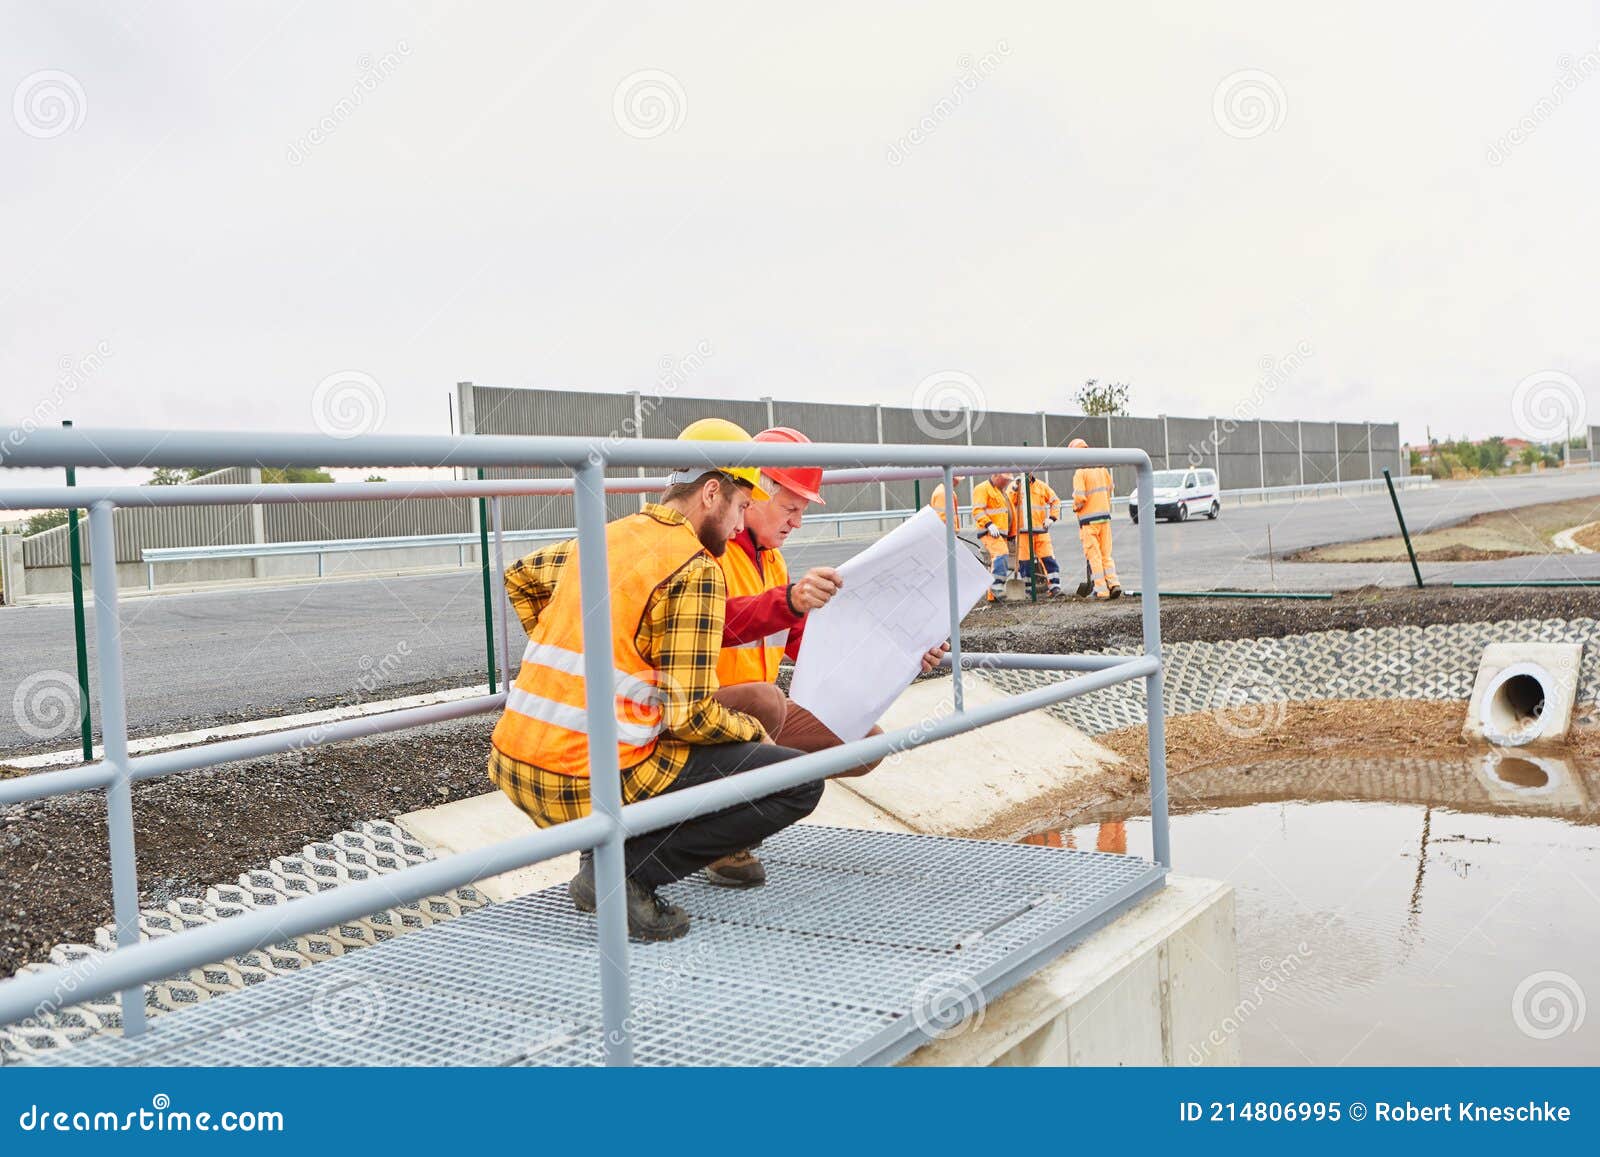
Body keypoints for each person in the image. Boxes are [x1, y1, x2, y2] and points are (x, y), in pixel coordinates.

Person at [485, 417, 820, 942]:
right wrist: (757, 735)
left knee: (706, 743)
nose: (739, 524)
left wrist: (596, 660)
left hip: (515, 763)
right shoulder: (696, 567)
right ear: (712, 492)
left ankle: (611, 855)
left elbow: (521, 576)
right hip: (585, 778)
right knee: (797, 782)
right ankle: (624, 875)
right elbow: (690, 717)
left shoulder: (606, 536)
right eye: (739, 507)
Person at [708, 426, 949, 886]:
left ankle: (737, 812)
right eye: (791, 507)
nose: (797, 521)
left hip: (755, 720)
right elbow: (716, 625)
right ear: (752, 494)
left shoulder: (772, 562)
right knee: (766, 700)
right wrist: (790, 601)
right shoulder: (711, 553)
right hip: (708, 714)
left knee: (865, 742)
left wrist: (907, 653)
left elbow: (810, 642)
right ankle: (720, 830)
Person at [1069, 438, 1121, 599]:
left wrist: (1074, 507)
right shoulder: (1101, 468)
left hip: (1088, 521)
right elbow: (1111, 488)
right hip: (1104, 517)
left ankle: (1102, 590)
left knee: (1094, 556)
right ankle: (1114, 583)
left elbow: (1080, 498)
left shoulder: (1080, 472)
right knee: (1106, 554)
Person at [1007, 471, 1065, 596]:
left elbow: (1055, 501)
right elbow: (1008, 504)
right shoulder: (1014, 487)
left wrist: (1052, 518)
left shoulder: (1041, 486)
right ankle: (1029, 590)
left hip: (1040, 530)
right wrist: (1014, 489)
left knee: (1048, 557)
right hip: (1022, 532)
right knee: (1025, 562)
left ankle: (1055, 587)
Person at [969, 471, 1015, 601]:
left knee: (996, 560)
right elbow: (977, 511)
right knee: (1001, 554)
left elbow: (1007, 512)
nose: (1007, 482)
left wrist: (1011, 534)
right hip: (990, 531)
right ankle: (997, 587)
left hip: (1002, 533)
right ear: (996, 476)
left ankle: (993, 596)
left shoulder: (1000, 491)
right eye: (1005, 479)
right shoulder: (982, 488)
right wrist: (989, 524)